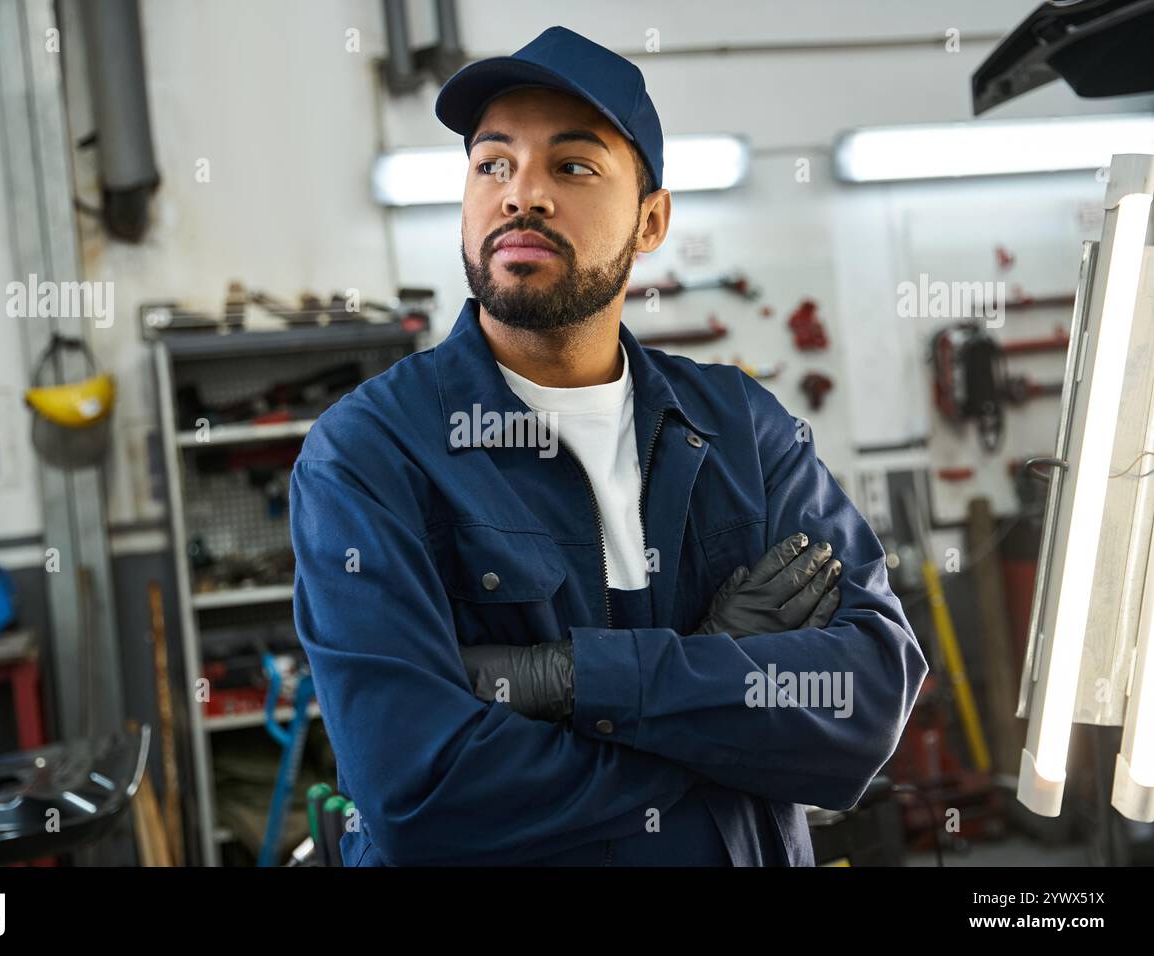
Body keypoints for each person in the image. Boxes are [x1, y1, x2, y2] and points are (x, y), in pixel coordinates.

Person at [290, 25, 927, 866]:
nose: (523, 195)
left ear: (652, 220)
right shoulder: (368, 455)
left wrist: (567, 682)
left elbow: (867, 698)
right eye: (493, 164)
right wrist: (717, 697)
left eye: (573, 165)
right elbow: (420, 793)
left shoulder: (741, 426)